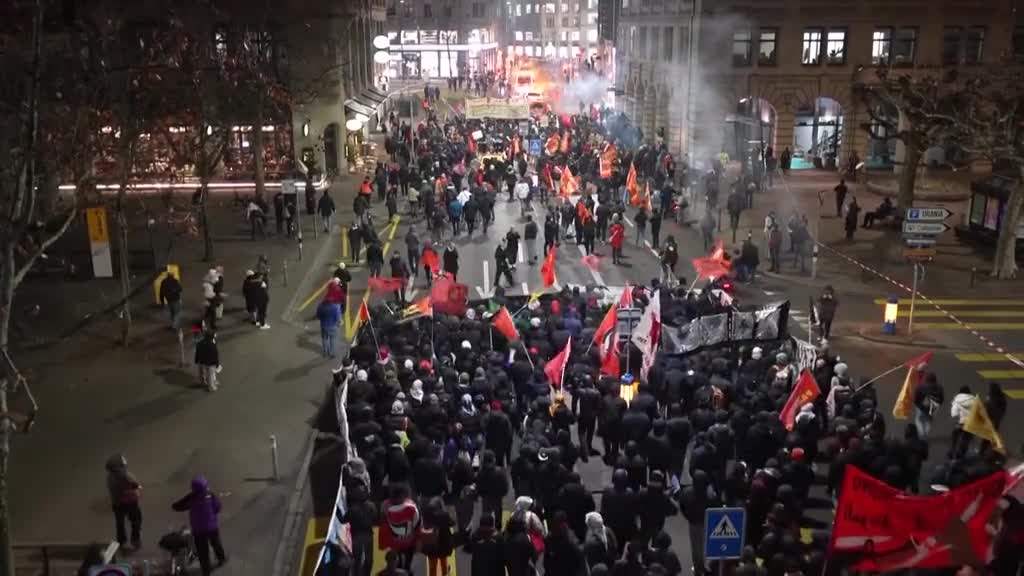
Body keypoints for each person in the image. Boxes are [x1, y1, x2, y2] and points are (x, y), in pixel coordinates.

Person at [172, 475, 226, 576]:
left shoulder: (192, 498)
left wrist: (186, 498)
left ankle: (206, 570)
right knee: (216, 543)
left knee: (202, 551)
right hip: (212, 527)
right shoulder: (210, 495)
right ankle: (221, 559)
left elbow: (177, 506)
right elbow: (218, 507)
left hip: (199, 530)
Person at [106, 454, 142, 550]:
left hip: (117, 504)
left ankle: (121, 542)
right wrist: (137, 488)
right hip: (130, 503)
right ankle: (135, 540)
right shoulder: (126, 475)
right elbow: (136, 485)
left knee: (120, 524)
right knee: (136, 521)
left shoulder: (110, 478)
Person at [419, 497, 454, 576]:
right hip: (443, 542)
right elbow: (452, 523)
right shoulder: (444, 515)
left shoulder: (426, 514)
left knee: (432, 566)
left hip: (431, 544)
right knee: (443, 562)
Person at [948, 385, 975, 459]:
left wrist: (955, 421)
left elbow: (954, 412)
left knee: (955, 438)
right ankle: (962, 453)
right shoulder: (974, 399)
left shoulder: (957, 399)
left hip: (959, 423)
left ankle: (952, 451)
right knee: (966, 439)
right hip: (970, 424)